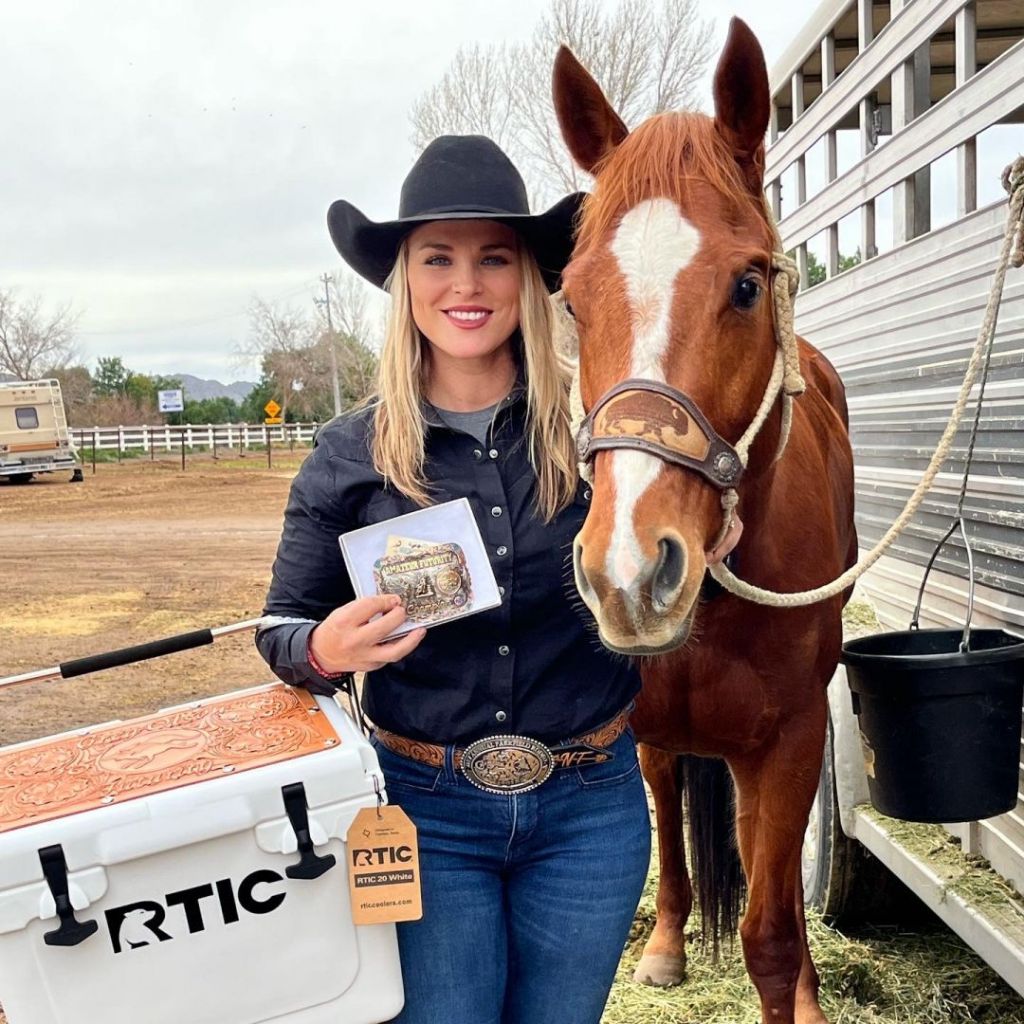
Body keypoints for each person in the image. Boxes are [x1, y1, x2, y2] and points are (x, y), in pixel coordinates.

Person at [255, 134, 651, 1024]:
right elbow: (279, 626)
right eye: (438, 257)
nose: (466, 285)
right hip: (425, 815)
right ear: (406, 279)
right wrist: (323, 647)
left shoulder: (603, 434)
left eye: (493, 259)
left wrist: (722, 531)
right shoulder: (348, 455)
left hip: (589, 808)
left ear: (529, 279)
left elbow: (673, 560)